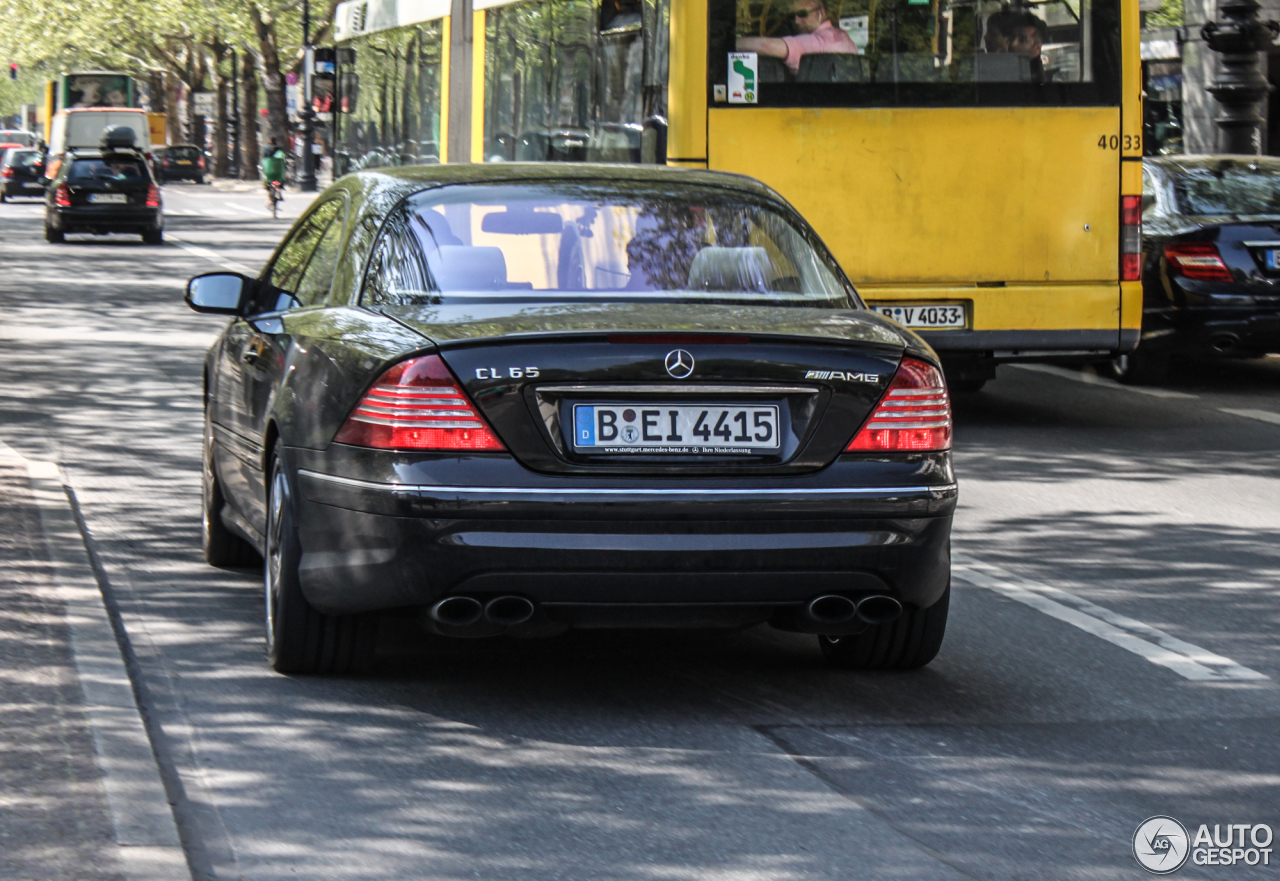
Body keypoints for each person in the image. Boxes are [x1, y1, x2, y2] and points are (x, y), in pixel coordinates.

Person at [736, 0, 858, 74]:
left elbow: (767, 46)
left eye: (802, 14)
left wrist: (729, 43)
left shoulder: (820, 42)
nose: (797, 21)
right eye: (793, 16)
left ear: (821, 12)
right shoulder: (844, 37)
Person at [984, 10, 1048, 79]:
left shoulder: (1029, 80)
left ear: (1036, 49)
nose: (1013, 43)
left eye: (1022, 40)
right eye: (1013, 36)